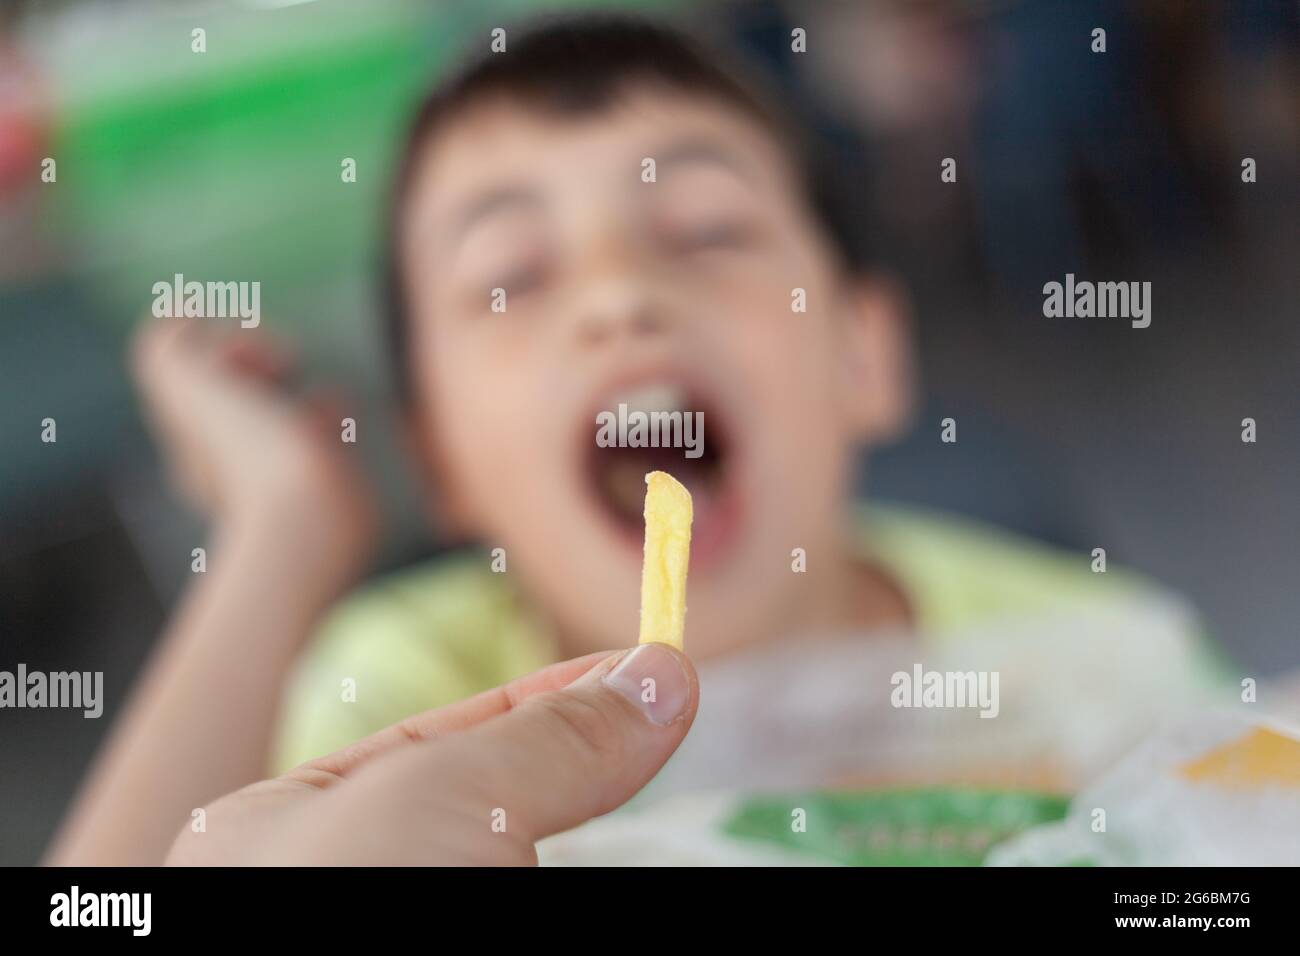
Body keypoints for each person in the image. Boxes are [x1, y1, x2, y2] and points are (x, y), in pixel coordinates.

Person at [49, 14, 1226, 866]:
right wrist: (284, 530)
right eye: (509, 276)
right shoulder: (394, 686)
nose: (617, 294)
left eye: (706, 230)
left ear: (863, 355)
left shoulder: (1093, 654)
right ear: (442, 458)